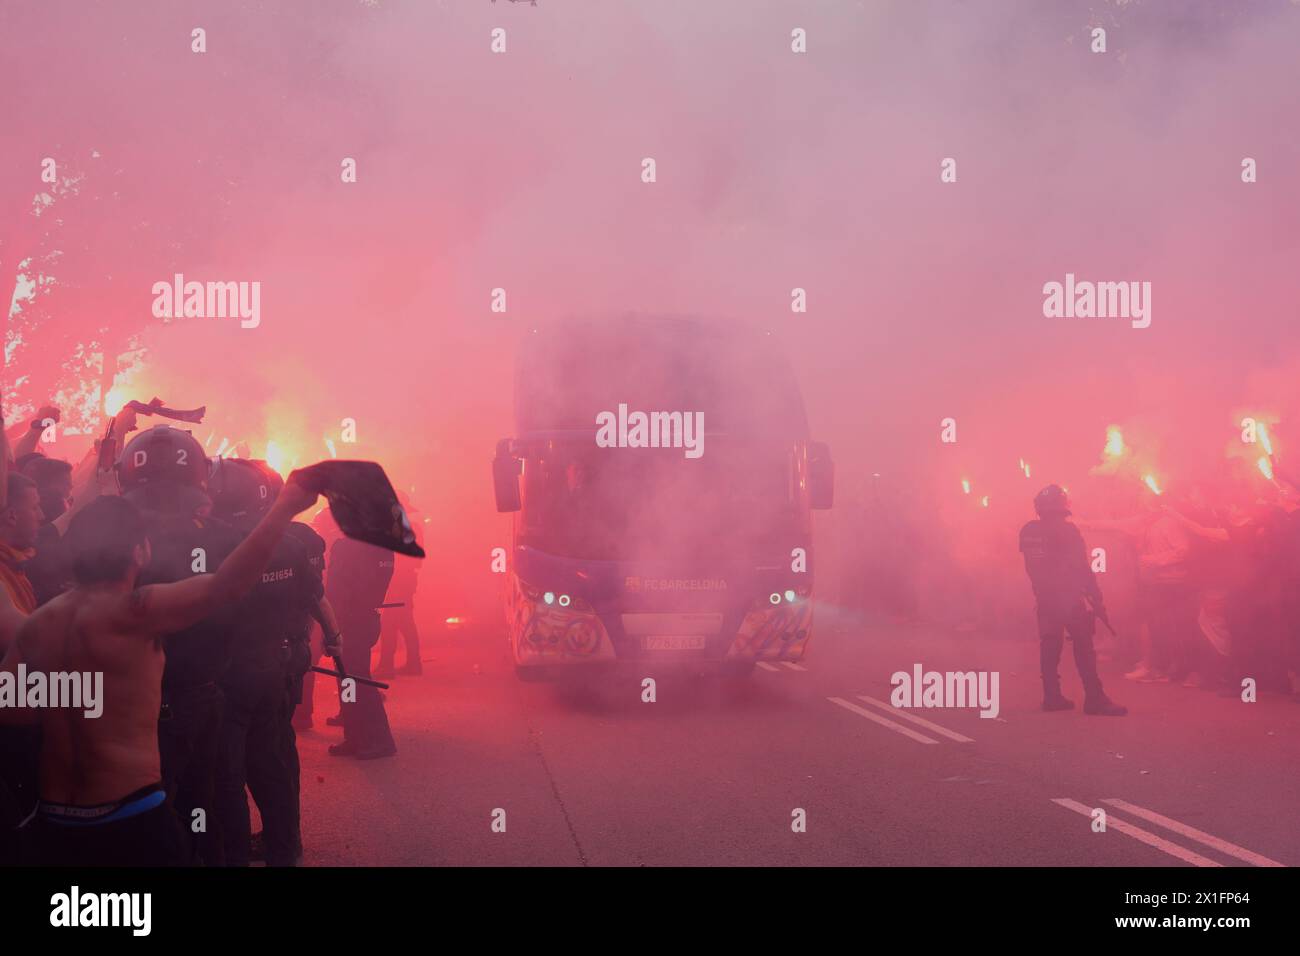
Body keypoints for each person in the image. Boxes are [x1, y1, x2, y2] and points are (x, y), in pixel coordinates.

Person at [0, 478, 319, 866]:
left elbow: (10, 711)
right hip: (128, 818)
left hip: (55, 824)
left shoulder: (37, 625)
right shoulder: (135, 611)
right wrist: (283, 508)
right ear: (140, 552)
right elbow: (227, 585)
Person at [117, 424, 244, 864]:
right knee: (200, 801)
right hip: (205, 694)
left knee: (151, 807)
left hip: (141, 702)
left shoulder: (118, 541)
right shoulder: (226, 537)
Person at [208, 458, 335, 866]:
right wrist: (333, 636)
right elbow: (314, 597)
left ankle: (235, 854)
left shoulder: (215, 544)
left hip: (228, 676)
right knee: (275, 763)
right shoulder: (292, 542)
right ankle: (285, 848)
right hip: (275, 669)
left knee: (227, 775)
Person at [1018, 485, 1127, 716]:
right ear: (1062, 507)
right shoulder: (1068, 531)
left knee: (1050, 645)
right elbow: (1081, 568)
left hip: (1044, 597)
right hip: (1067, 598)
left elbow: (1031, 566)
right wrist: (1096, 598)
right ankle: (1095, 698)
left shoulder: (1028, 531)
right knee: (1083, 646)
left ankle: (1051, 696)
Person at [326, 535, 397, 758]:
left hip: (352, 620)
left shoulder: (351, 547)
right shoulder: (382, 547)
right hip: (361, 618)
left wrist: (331, 620)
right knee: (347, 679)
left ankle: (379, 739)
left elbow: (337, 587)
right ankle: (354, 735)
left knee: (357, 679)